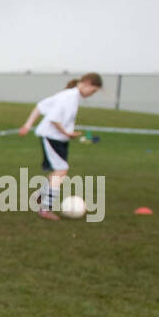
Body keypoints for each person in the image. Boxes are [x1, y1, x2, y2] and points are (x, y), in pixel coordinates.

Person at [18, 73, 103, 219]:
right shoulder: (69, 97)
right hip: (52, 137)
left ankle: (40, 195)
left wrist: (28, 125)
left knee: (60, 172)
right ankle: (45, 209)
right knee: (61, 171)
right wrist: (67, 133)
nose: (92, 94)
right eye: (93, 90)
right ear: (87, 83)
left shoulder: (71, 95)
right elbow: (53, 119)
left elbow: (40, 106)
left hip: (59, 138)